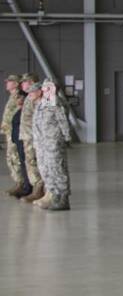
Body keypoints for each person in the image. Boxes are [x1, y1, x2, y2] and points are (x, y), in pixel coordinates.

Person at [32, 80, 73, 211]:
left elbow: (62, 120)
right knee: (46, 169)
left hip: (53, 142)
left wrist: (67, 137)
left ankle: (63, 199)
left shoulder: (54, 101)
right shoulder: (43, 103)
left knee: (57, 169)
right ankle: (54, 196)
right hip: (42, 143)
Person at [4, 74, 30, 198]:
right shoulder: (12, 96)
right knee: (11, 159)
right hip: (9, 131)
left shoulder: (19, 96)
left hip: (16, 131)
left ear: (15, 83)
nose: (7, 83)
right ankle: (19, 182)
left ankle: (22, 183)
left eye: (9, 81)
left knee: (16, 158)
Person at [18, 75, 43, 204]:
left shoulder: (37, 97)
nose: (22, 84)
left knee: (34, 161)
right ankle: (34, 187)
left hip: (33, 136)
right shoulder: (29, 96)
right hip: (27, 135)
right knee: (29, 162)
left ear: (32, 82)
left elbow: (39, 117)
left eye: (24, 82)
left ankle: (38, 190)